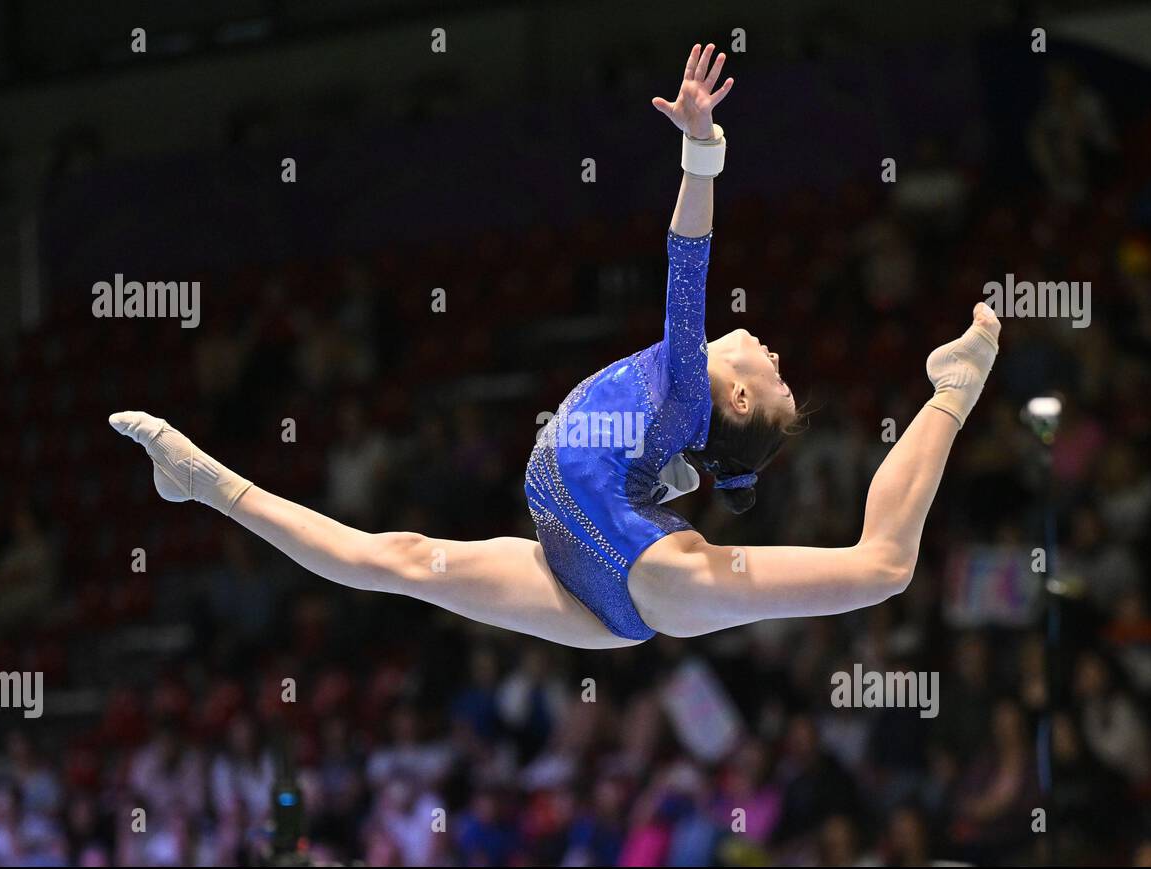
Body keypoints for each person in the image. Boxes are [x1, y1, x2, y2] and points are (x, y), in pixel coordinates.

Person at [110, 44, 1001, 650]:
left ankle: (949, 391)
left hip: (643, 579)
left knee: (881, 567)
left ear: (734, 401)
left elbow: (686, 260)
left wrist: (702, 153)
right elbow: (675, 465)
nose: (771, 350)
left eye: (771, 375)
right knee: (392, 562)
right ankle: (206, 483)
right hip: (577, 567)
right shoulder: (677, 423)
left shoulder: (689, 391)